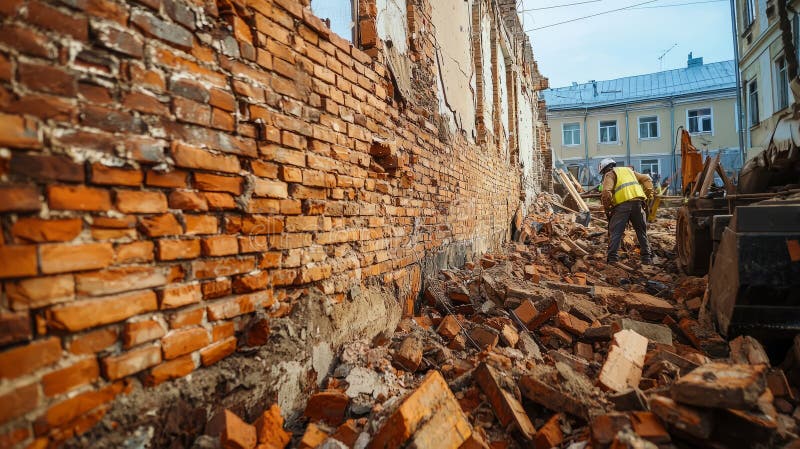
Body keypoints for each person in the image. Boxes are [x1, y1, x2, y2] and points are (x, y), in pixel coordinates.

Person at [598, 158, 655, 265]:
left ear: (605, 169)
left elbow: (606, 192)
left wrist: (608, 207)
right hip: (638, 204)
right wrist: (647, 196)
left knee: (616, 232)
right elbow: (647, 178)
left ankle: (612, 259)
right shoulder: (629, 171)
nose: (603, 176)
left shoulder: (610, 174)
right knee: (641, 232)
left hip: (622, 207)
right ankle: (647, 257)